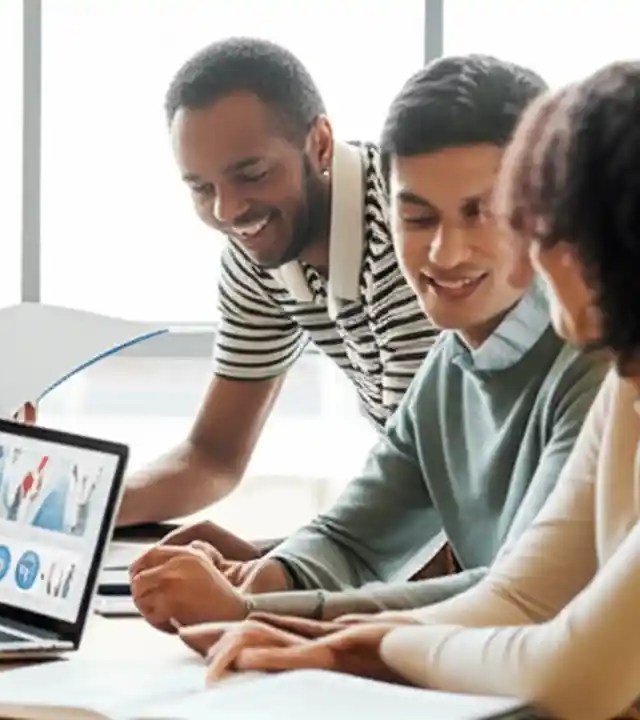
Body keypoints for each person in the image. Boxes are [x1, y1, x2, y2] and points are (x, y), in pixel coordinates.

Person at [195, 61, 640, 720]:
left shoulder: (595, 367)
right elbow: (524, 598)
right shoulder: (626, 383)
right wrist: (336, 643)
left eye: (530, 221)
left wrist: (358, 648)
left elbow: (576, 676)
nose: (526, 258)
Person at [116, 37, 439, 534]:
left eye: (252, 174)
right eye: (201, 189)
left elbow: (424, 493)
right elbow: (213, 455)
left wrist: (270, 570)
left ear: (321, 144)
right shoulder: (259, 256)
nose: (227, 211)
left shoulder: (409, 232)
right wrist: (82, 511)